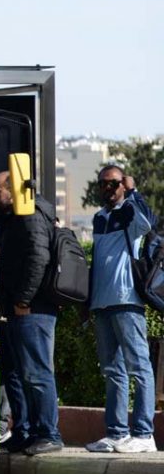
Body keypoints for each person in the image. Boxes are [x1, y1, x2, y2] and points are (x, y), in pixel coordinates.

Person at [85, 166, 158, 454]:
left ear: (123, 185)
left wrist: (134, 191)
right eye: (103, 183)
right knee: (113, 371)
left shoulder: (130, 211)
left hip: (127, 300)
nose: (108, 188)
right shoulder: (99, 217)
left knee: (139, 367)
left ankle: (144, 433)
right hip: (101, 303)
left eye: (114, 183)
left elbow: (149, 222)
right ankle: (116, 432)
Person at [0, 171, 63, 456]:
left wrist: (23, 299)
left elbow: (38, 258)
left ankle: (49, 433)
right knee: (17, 374)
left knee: (37, 373)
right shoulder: (14, 217)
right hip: (16, 310)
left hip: (33, 310)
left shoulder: (31, 215)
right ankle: (24, 431)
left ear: (14, 190)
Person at [0, 172, 31, 452]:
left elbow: (33, 259)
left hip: (17, 308)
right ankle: (13, 426)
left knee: (24, 372)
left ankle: (16, 424)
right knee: (6, 371)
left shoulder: (25, 220)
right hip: (0, 305)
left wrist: (22, 300)